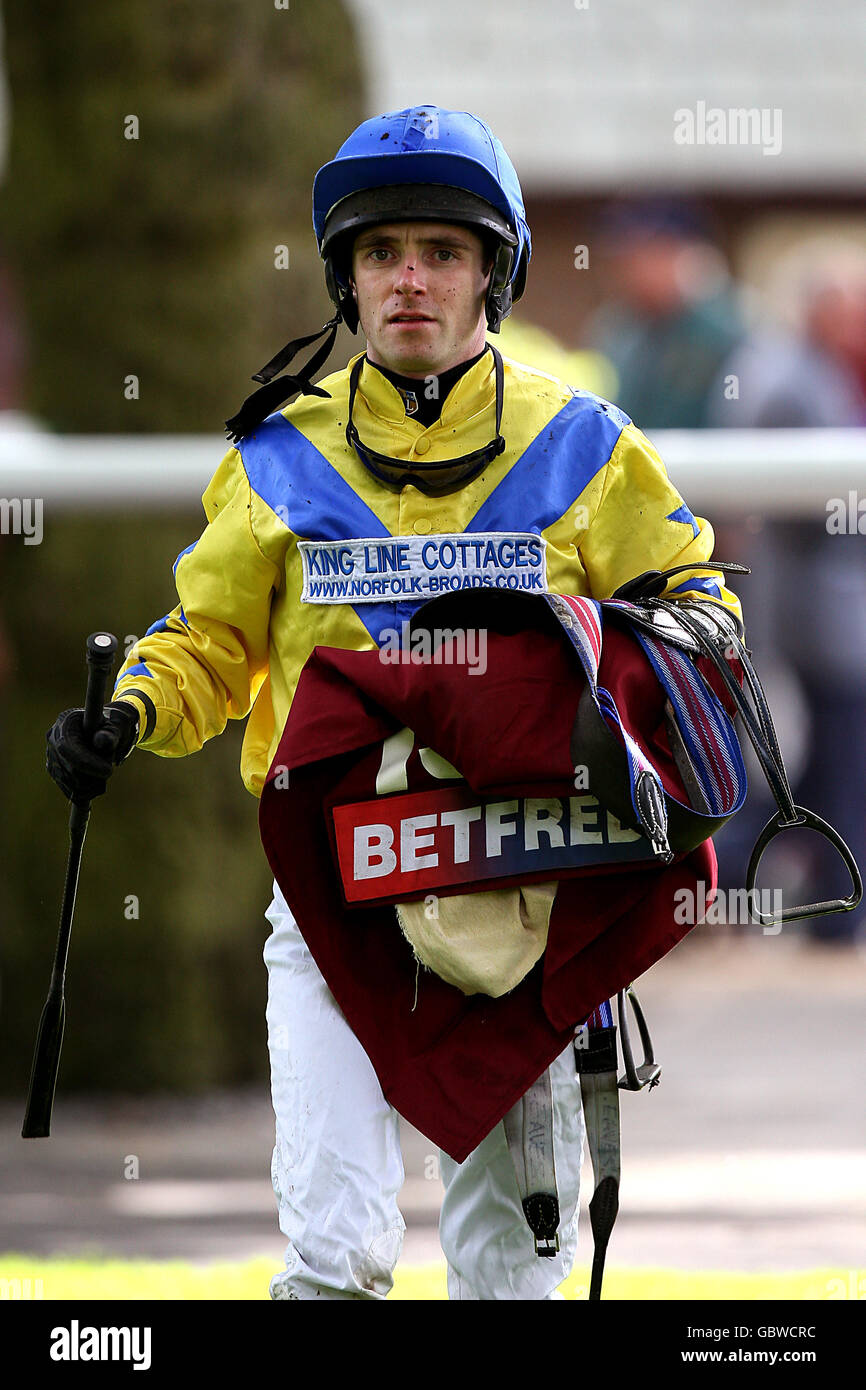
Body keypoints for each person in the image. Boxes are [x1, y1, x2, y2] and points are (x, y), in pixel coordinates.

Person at [45, 106, 743, 1300]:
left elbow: (695, 602)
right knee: (332, 1259)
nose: (407, 278)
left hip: (523, 896)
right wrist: (132, 709)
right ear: (346, 279)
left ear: (492, 276)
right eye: (379, 253)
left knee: (514, 1269)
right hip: (332, 902)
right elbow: (208, 641)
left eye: (440, 251)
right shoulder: (272, 459)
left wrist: (672, 645)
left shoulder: (586, 447)